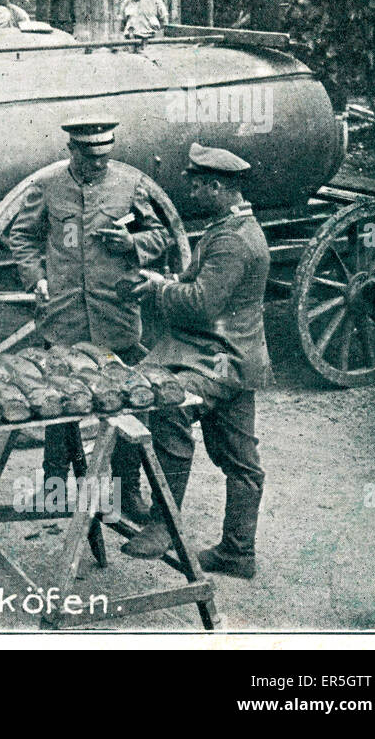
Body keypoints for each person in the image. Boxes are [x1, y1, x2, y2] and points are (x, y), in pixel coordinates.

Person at [5, 117, 172, 523]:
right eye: (90, 157)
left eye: (105, 157)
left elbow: (161, 235)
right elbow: (22, 237)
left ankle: (127, 490)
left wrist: (131, 242)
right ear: (72, 151)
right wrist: (36, 277)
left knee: (129, 404)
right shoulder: (48, 188)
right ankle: (54, 487)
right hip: (64, 317)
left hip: (115, 316)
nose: (99, 164)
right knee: (60, 404)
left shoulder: (129, 187)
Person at [123, 143, 271, 579]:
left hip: (217, 361)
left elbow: (203, 305)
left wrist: (160, 290)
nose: (190, 192)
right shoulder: (231, 226)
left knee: (167, 405)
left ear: (218, 187)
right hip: (235, 361)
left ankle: (163, 524)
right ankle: (237, 553)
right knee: (242, 461)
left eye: (197, 185)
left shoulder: (233, 241)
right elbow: (204, 287)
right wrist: (166, 280)